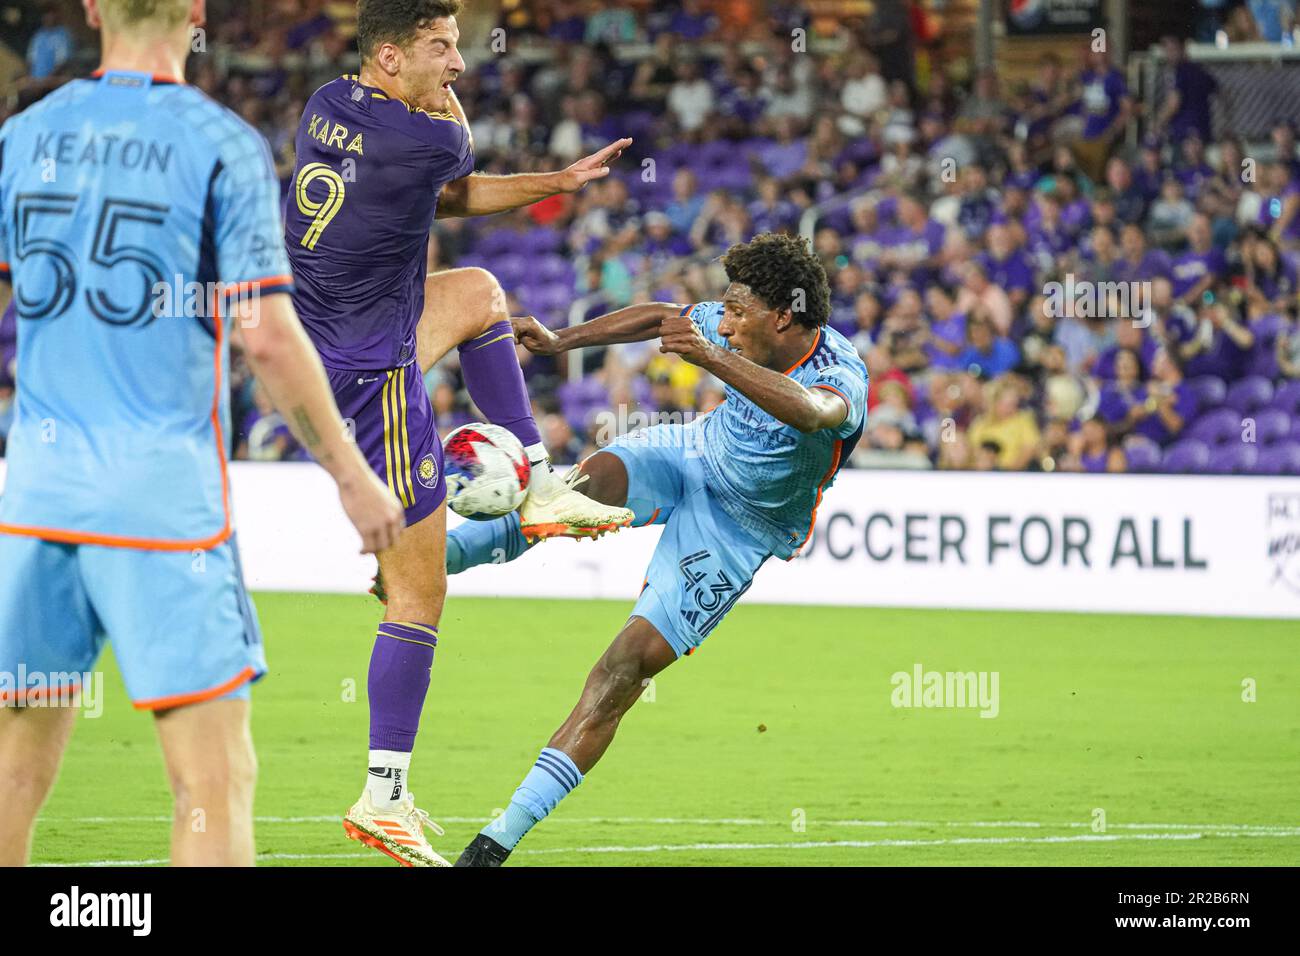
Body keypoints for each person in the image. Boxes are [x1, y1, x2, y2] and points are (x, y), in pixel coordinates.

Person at [0, 0, 404, 867]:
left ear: (90, 9)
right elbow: (262, 331)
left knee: (13, 772)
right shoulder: (217, 142)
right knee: (210, 785)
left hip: (34, 500)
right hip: (161, 509)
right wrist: (348, 473)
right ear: (195, 13)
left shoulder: (25, 136)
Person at [283, 0, 636, 866]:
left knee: (478, 291)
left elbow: (437, 202)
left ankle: (543, 482)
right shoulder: (432, 134)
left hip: (326, 341)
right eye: (442, 48)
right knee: (419, 593)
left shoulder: (329, 103)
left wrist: (555, 183)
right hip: (373, 377)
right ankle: (383, 795)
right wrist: (449, 107)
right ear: (392, 56)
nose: (458, 65)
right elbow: (455, 163)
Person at [440, 234, 868, 866]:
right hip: (689, 455)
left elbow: (811, 413)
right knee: (565, 497)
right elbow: (660, 317)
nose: (723, 322)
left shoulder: (840, 375)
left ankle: (495, 842)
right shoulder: (733, 327)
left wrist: (712, 358)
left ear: (783, 317)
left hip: (739, 530)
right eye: (723, 311)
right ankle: (432, 560)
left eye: (737, 313)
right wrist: (565, 339)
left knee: (623, 671)